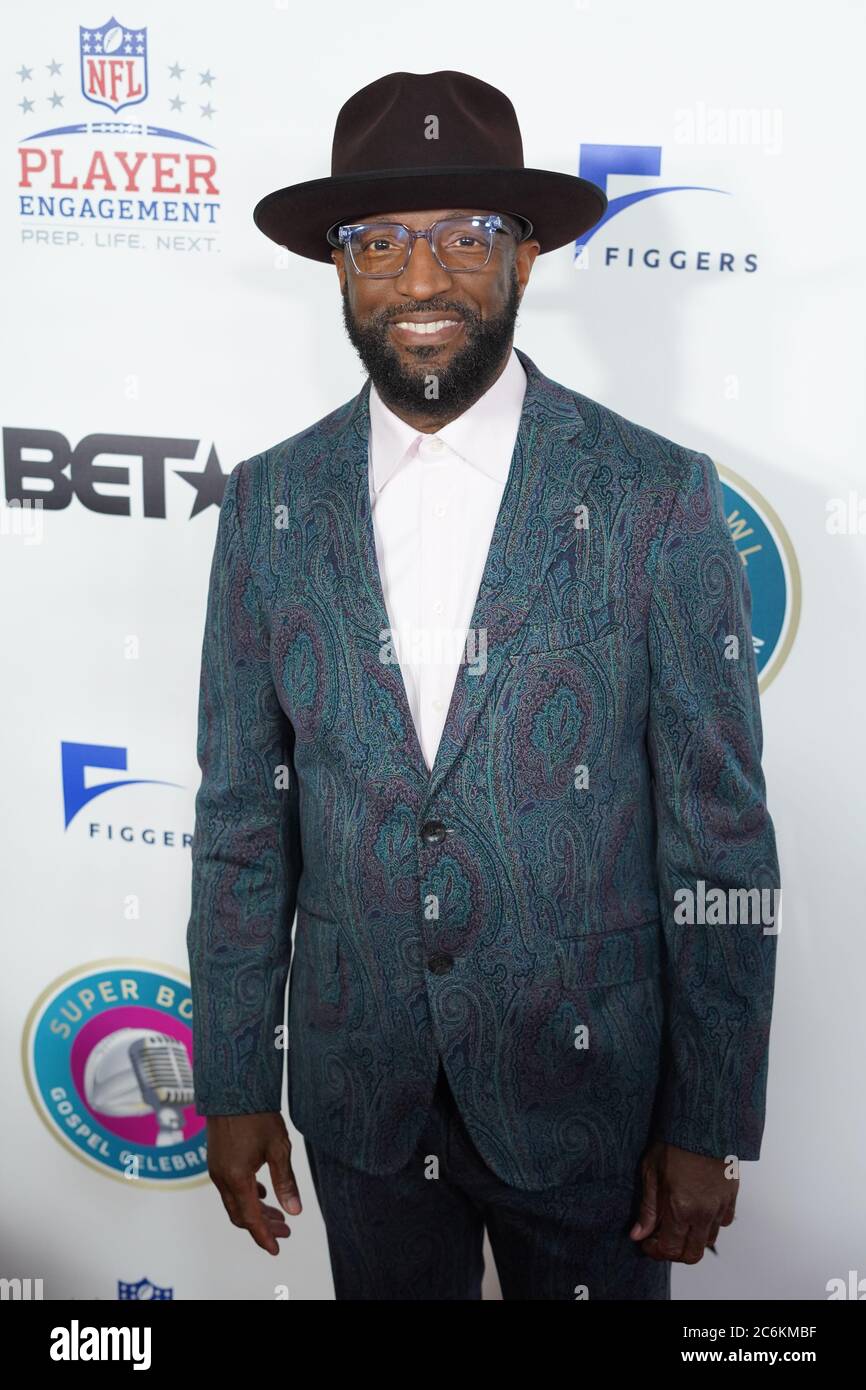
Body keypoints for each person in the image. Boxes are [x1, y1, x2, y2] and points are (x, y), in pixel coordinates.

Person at [186, 70, 780, 1301]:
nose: (420, 281)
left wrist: (707, 1115)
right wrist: (237, 1080)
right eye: (381, 242)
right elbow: (243, 825)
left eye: (465, 237)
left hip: (588, 1110)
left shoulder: (655, 497)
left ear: (524, 257)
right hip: (360, 1105)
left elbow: (717, 844)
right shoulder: (265, 506)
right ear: (337, 267)